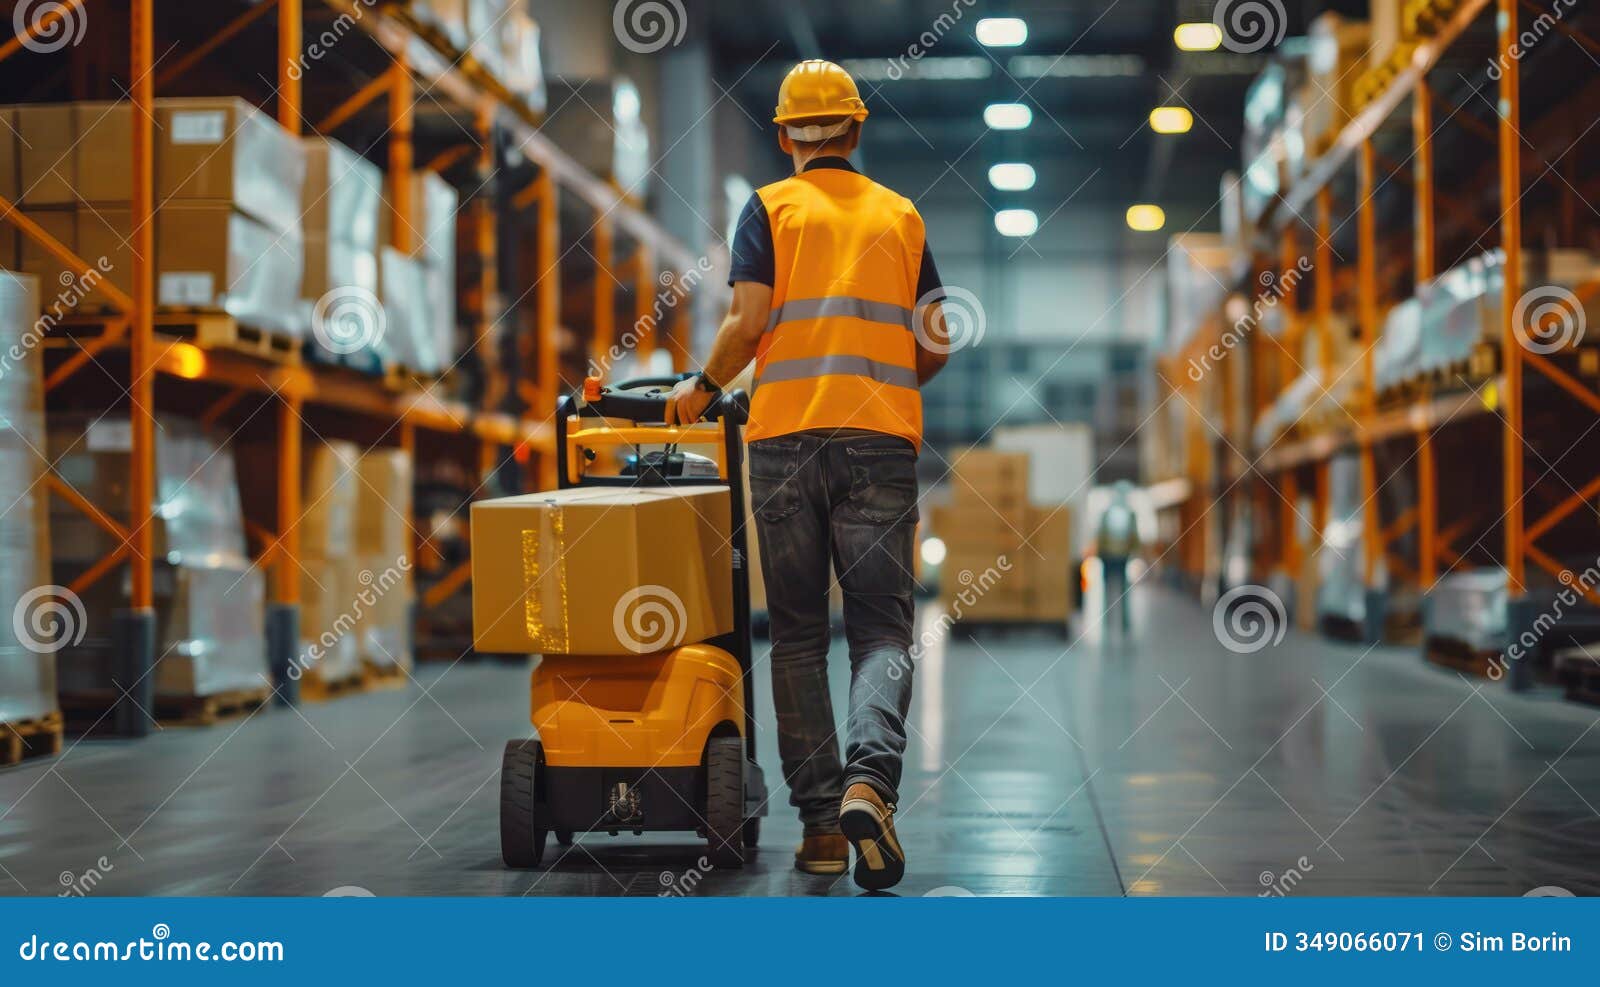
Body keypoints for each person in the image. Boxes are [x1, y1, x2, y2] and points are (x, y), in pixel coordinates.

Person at [665, 59, 950, 890]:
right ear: (855, 131)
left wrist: (704, 385)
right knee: (882, 632)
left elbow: (749, 319)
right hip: (881, 446)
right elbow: (935, 341)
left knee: (794, 637)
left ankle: (824, 831)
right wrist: (886, 388)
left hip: (784, 442)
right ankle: (871, 782)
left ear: (787, 135)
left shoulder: (771, 208)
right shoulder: (902, 217)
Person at [1095, 481, 1141, 634]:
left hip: (1119, 557)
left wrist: (1134, 552)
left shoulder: (1127, 514)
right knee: (1113, 590)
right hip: (1110, 556)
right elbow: (1100, 535)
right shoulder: (1109, 514)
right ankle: (1113, 621)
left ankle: (1122, 622)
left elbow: (1134, 537)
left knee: (1121, 590)